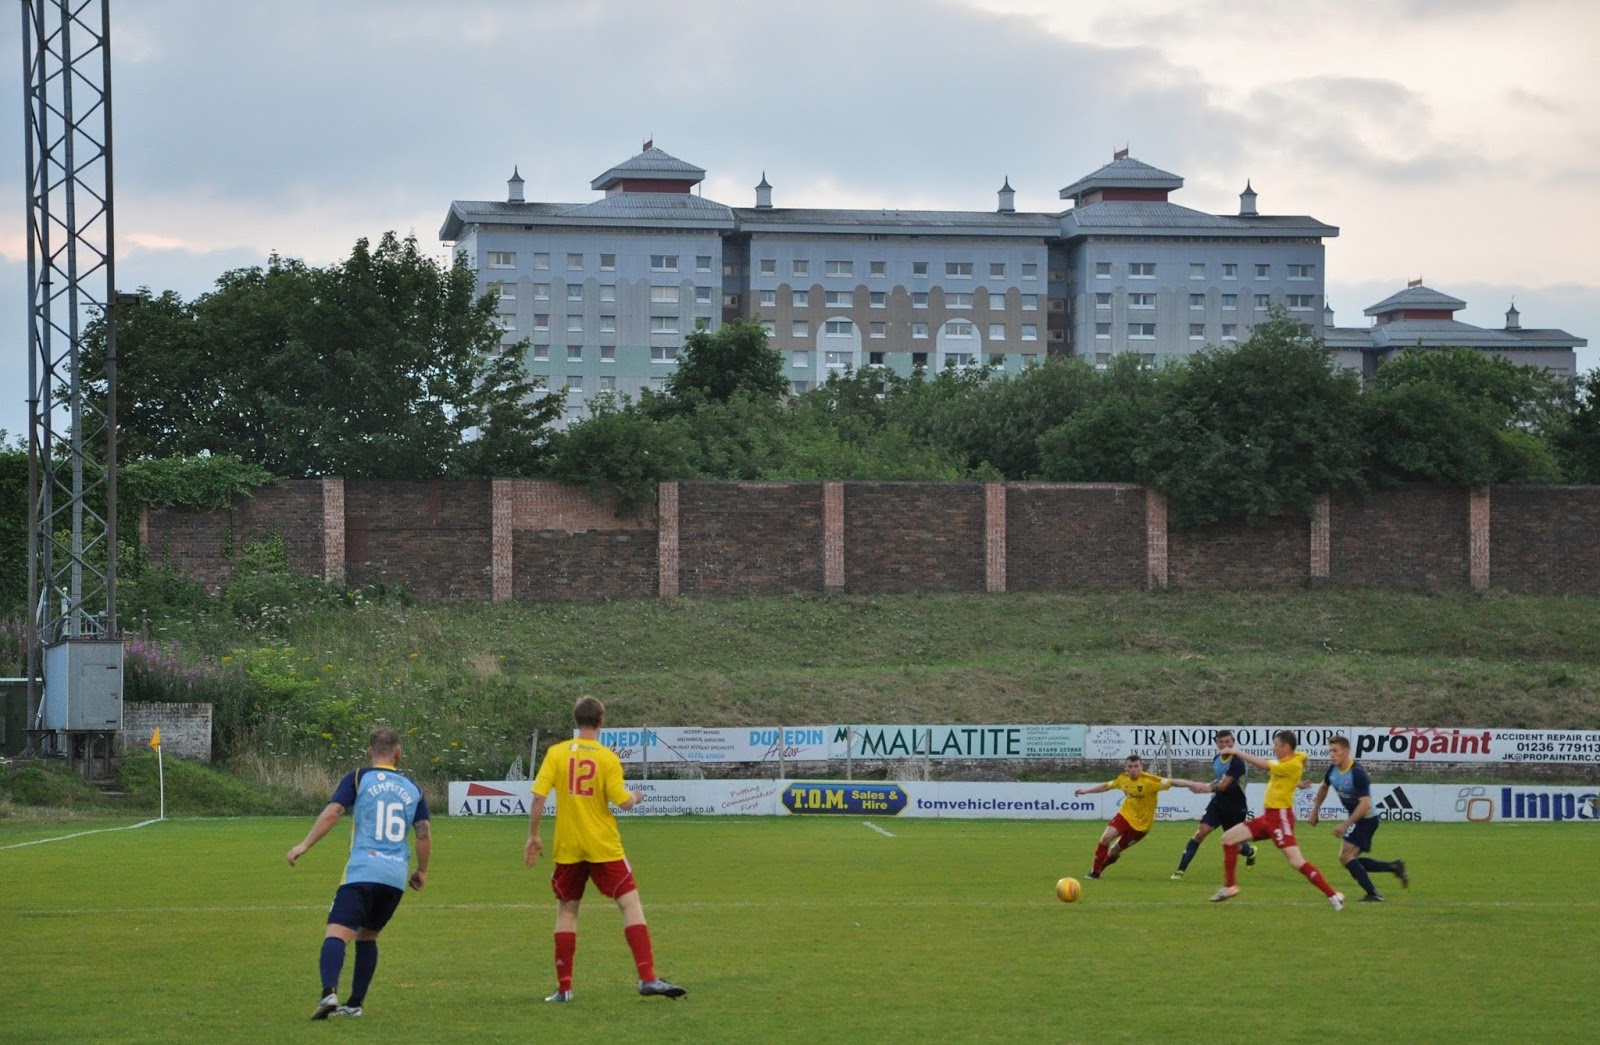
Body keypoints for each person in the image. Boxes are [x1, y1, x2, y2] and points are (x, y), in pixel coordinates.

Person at [525, 695, 685, 1002]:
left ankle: (564, 989)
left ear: (576, 721)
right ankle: (647, 977)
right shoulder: (607, 758)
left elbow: (538, 797)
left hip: (568, 845)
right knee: (630, 905)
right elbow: (623, 802)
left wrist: (533, 835)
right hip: (603, 845)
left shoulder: (556, 753)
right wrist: (637, 796)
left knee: (568, 911)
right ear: (602, 722)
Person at [286, 727, 430, 1020]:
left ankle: (329, 993)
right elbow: (423, 833)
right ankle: (355, 1004)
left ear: (369, 753)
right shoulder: (413, 788)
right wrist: (422, 870)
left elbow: (333, 812)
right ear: (398, 753)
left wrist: (304, 845)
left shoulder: (358, 778)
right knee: (368, 935)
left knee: (337, 933)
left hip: (363, 870)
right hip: (395, 877)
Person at [1210, 729, 1343, 909]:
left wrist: (1236, 751)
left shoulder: (1292, 765)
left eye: (1276, 745)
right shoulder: (1290, 759)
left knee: (1296, 862)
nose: (1273, 748)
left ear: (1286, 747)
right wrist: (1298, 780)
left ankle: (1332, 895)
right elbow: (1299, 758)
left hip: (1280, 818)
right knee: (1228, 838)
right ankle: (1230, 886)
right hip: (1268, 817)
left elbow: (1265, 766)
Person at [1308, 735, 1409, 902]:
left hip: (1367, 819)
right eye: (1330, 751)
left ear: (1346, 751)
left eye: (1335, 751)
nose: (1332, 755)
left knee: (1346, 857)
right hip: (1358, 819)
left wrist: (1346, 825)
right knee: (1348, 858)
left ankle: (1374, 893)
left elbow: (1365, 804)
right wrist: (1315, 811)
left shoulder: (1357, 773)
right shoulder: (1332, 770)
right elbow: (1324, 787)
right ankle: (1393, 866)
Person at [1074, 753, 1209, 879]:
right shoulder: (1122, 778)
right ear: (1126, 768)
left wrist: (1193, 784)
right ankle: (1095, 872)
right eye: (1130, 767)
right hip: (1124, 816)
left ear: (1141, 767)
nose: (1133, 770)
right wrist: (1086, 791)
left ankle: (1102, 866)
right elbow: (1105, 786)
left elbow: (1172, 782)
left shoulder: (1149, 781)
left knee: (1115, 851)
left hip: (1141, 827)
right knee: (1106, 838)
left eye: (1136, 766)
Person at [1171, 728, 1257, 879]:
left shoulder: (1237, 762)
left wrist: (1206, 788)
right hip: (1217, 803)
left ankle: (1250, 852)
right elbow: (1220, 781)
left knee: (1234, 845)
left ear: (1233, 743)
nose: (1224, 745)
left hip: (1236, 808)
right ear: (1217, 743)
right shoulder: (1216, 759)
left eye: (1227, 742)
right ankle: (1180, 870)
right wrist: (1206, 786)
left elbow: (1224, 785)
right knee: (1200, 832)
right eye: (1221, 742)